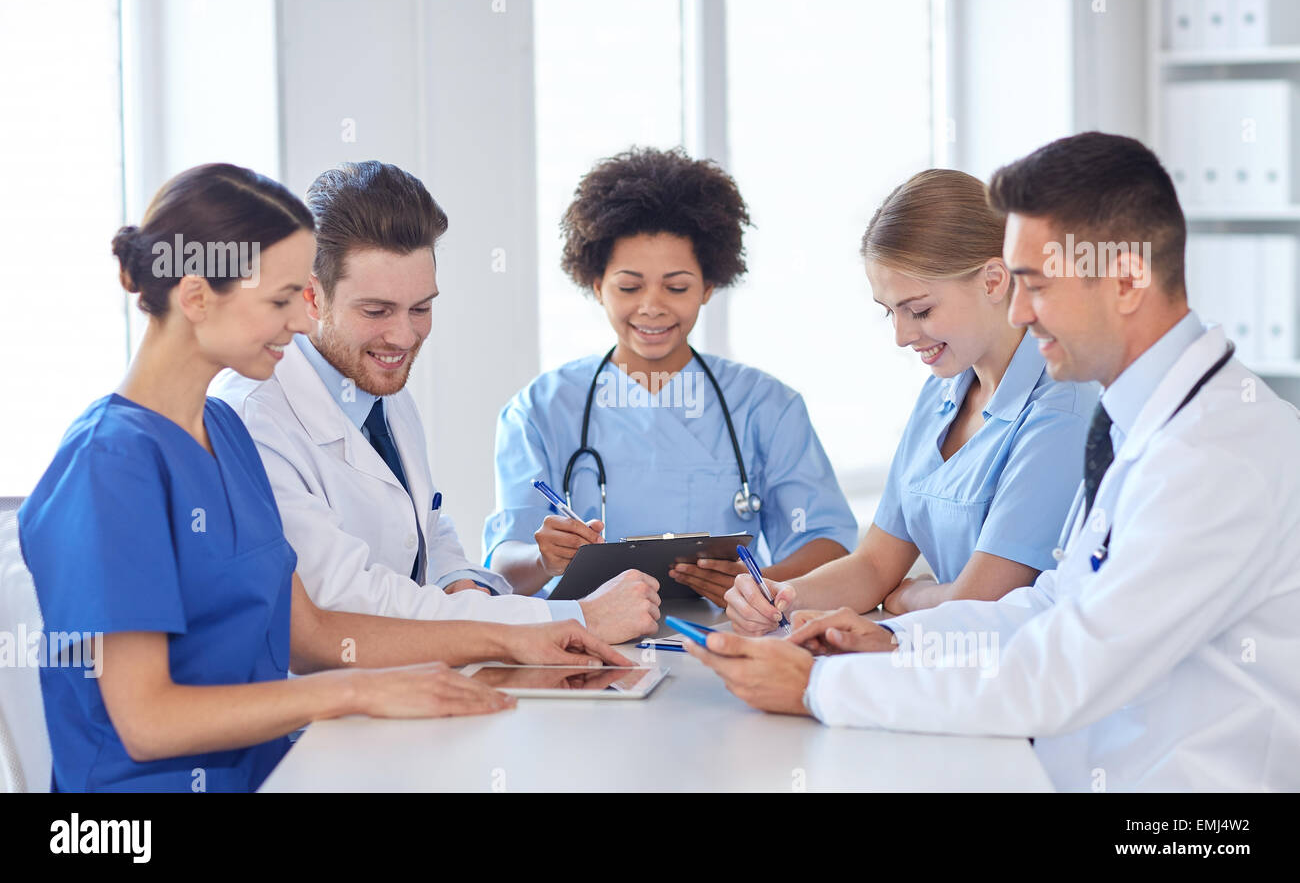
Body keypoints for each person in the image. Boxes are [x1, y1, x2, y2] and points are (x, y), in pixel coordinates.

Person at [687, 133, 1300, 792]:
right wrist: (893, 644)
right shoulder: (1142, 423)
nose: (1017, 311)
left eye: (1035, 285)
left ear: (1124, 279)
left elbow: (1064, 669)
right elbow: (1048, 607)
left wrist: (823, 687)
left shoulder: (1214, 457)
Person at [18, 164, 631, 793]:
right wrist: (361, 688)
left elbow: (311, 631)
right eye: (282, 300)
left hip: (272, 772)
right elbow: (146, 722)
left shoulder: (222, 433)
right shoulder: (109, 464)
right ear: (198, 297)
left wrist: (519, 638)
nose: (303, 322)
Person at [212, 161, 659, 644]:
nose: (404, 336)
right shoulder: (253, 418)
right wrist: (574, 620)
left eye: (421, 308)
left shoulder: (380, 386)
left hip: (410, 682)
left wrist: (456, 581)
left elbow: (424, 529)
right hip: (320, 702)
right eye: (376, 310)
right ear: (311, 297)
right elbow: (339, 597)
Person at [726, 169, 1095, 634]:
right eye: (889, 312)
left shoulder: (1061, 410)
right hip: (942, 666)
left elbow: (979, 601)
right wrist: (779, 596)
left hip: (1019, 677)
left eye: (919, 310)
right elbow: (876, 566)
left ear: (994, 280)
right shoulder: (943, 392)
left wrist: (913, 596)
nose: (902, 336)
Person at [485, 147, 858, 605]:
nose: (652, 306)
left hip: (729, 641)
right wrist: (545, 561)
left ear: (708, 287)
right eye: (629, 286)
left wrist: (756, 587)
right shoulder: (540, 409)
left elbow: (826, 542)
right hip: (583, 649)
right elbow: (503, 565)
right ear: (597, 285)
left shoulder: (767, 406)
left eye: (677, 287)